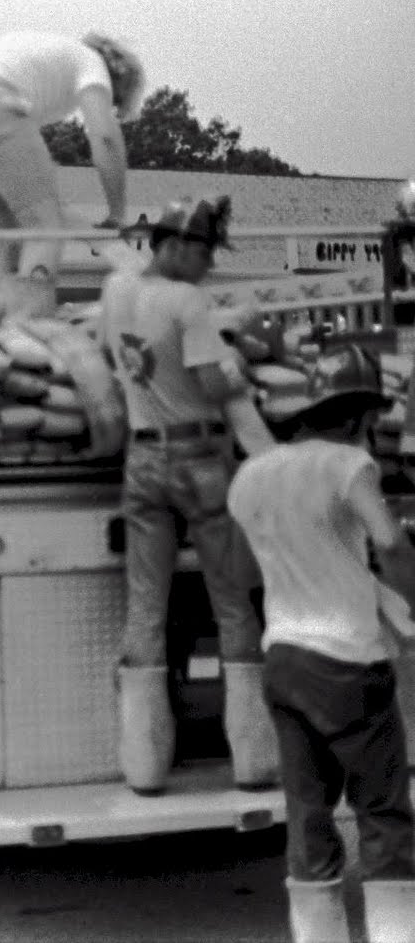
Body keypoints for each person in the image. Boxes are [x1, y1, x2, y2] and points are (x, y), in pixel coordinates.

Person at [227, 345, 415, 943]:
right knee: (382, 812)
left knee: (308, 813)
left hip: (282, 658)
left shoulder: (252, 474)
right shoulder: (348, 465)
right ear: (359, 414)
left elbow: (240, 573)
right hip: (349, 662)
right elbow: (389, 543)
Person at [98, 195, 276, 795]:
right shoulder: (187, 299)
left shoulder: (116, 291)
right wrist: (238, 367)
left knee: (147, 603)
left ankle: (144, 766)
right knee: (232, 599)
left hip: (142, 460)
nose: (207, 267)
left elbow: (131, 357)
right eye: (203, 254)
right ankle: (253, 759)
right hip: (201, 459)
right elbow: (208, 381)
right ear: (174, 247)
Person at [0, 31, 145, 316]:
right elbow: (105, 137)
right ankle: (28, 322)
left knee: (2, 232)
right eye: (115, 102)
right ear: (118, 81)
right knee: (45, 227)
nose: (110, 106)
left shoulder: (50, 55)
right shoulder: (92, 65)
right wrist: (117, 212)